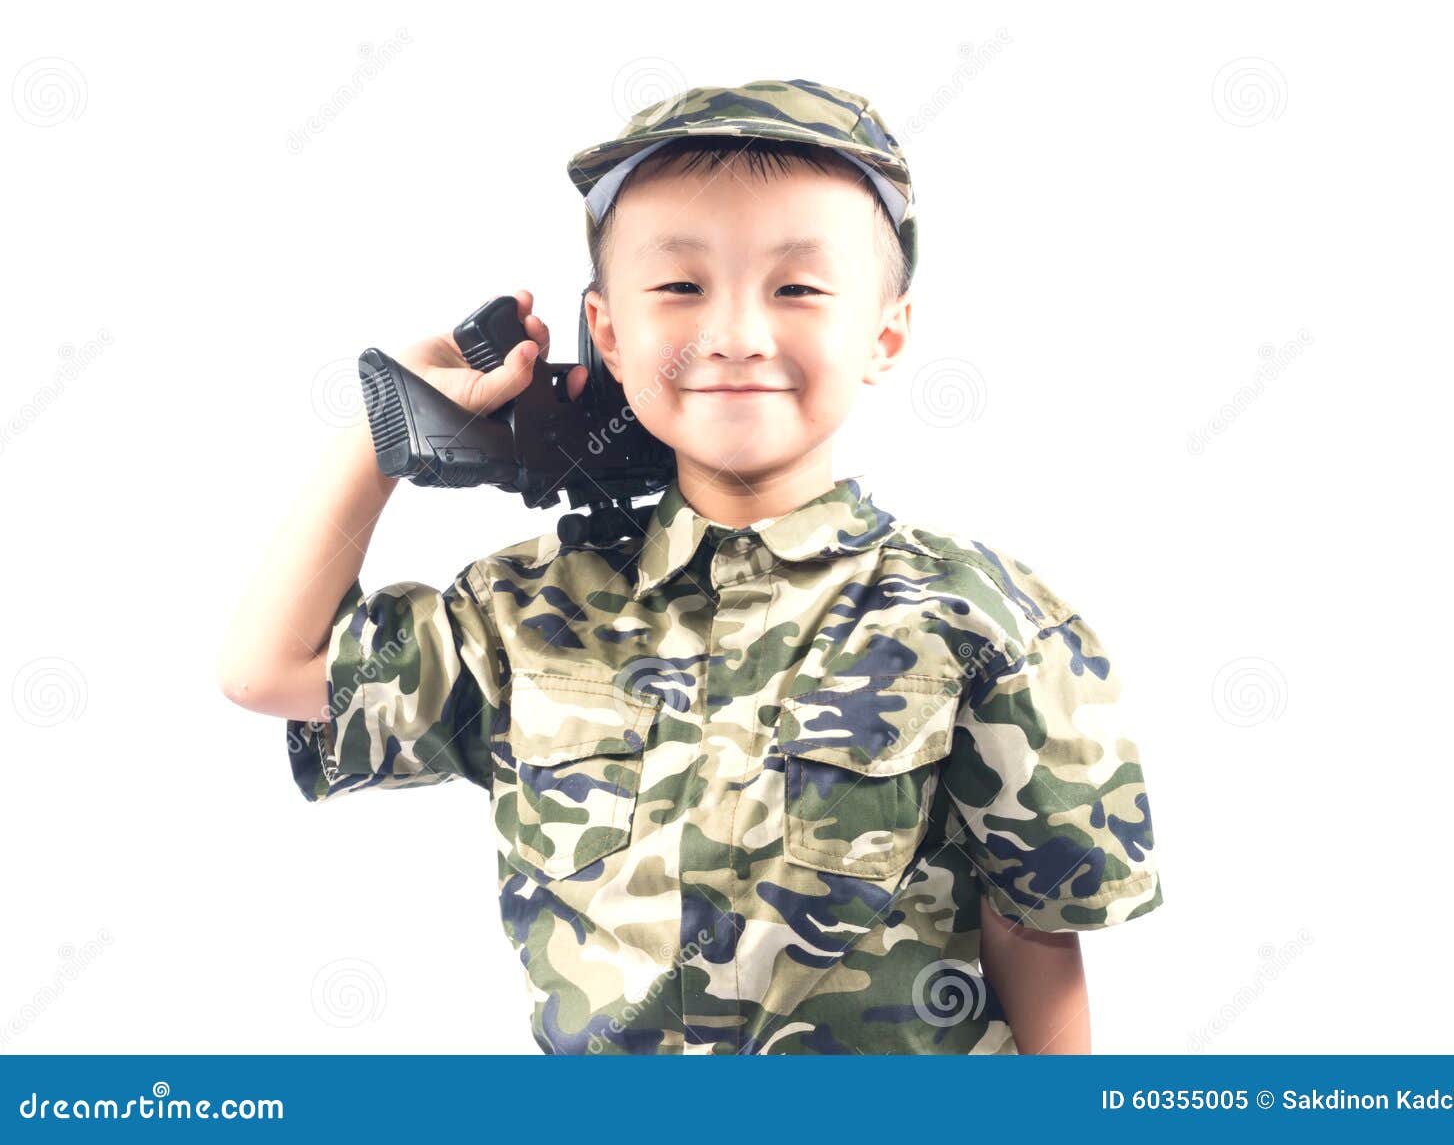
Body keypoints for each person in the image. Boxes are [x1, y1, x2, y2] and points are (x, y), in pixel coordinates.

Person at [218, 78, 1164, 1055]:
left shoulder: (985, 622)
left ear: (885, 332)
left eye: (796, 286)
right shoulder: (525, 615)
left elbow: (1036, 942)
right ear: (611, 334)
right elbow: (269, 669)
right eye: (679, 285)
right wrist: (383, 430)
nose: (735, 333)